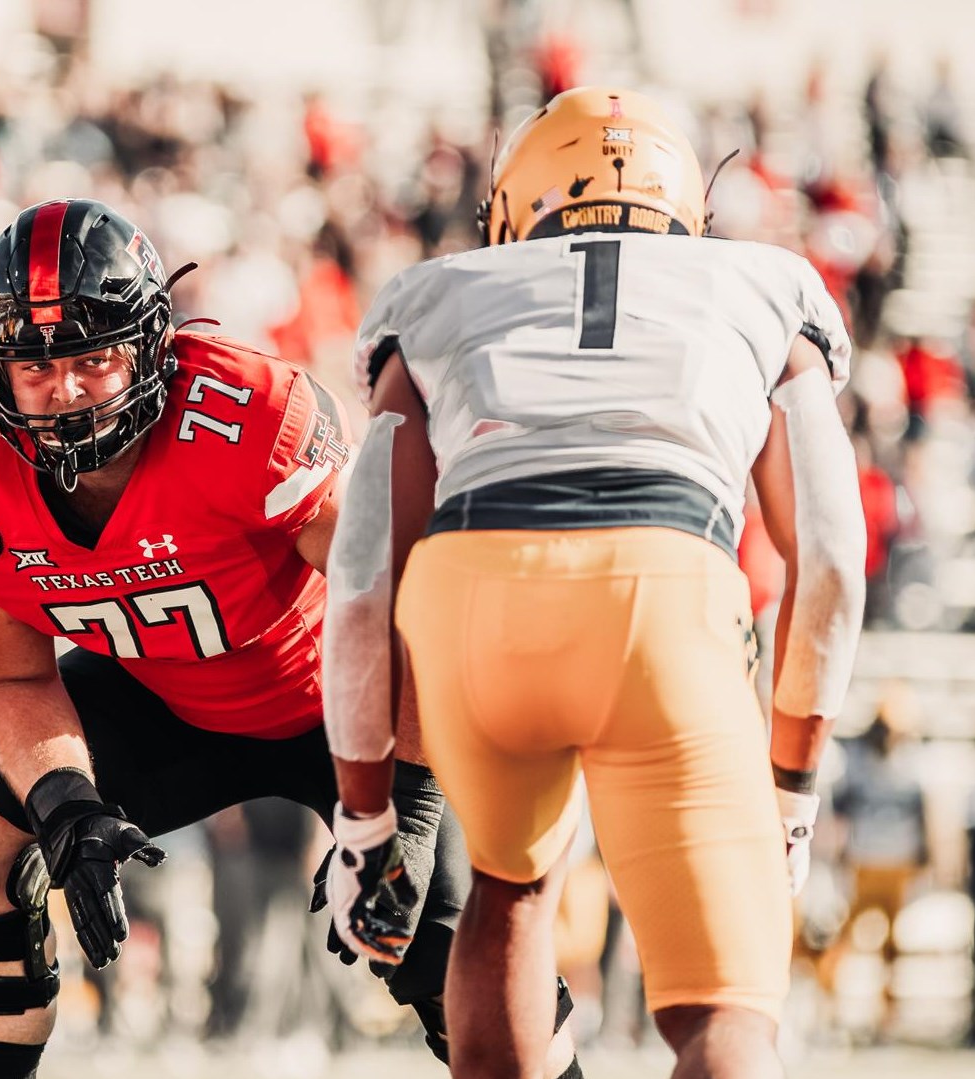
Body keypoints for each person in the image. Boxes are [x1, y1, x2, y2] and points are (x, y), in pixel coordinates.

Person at [0, 197, 579, 1079]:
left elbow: (417, 612)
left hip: (346, 698)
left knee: (449, 947)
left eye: (95, 359)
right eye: (37, 366)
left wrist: (403, 810)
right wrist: (65, 802)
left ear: (148, 348)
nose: (66, 389)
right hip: (165, 693)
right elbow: (11, 681)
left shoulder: (250, 419)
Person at [328, 86, 866, 1079]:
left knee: (507, 886)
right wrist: (788, 782)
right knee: (723, 1014)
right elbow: (829, 552)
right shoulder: (761, 282)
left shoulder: (437, 291)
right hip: (663, 584)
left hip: (472, 592)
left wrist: (367, 812)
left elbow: (363, 572)